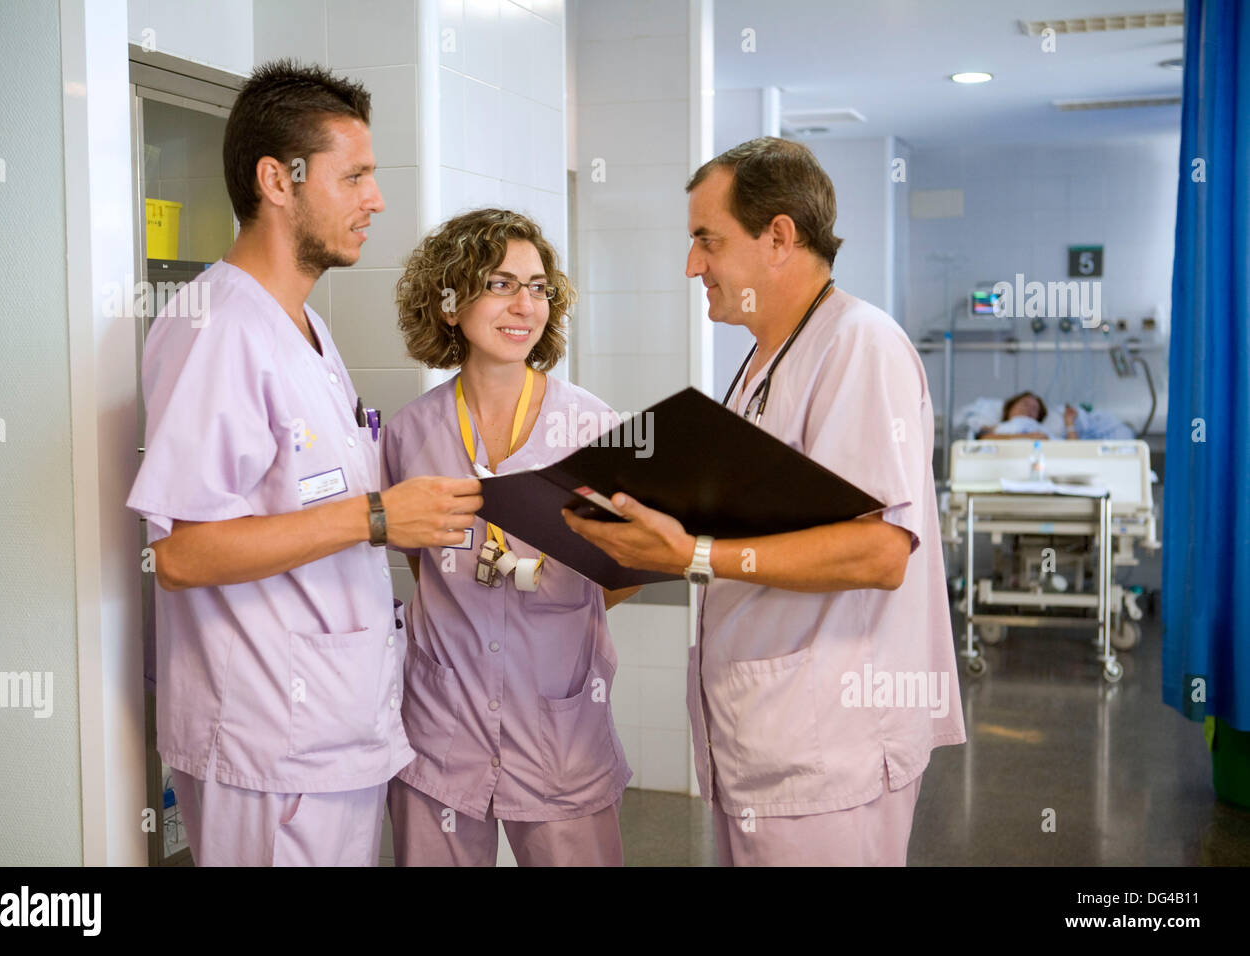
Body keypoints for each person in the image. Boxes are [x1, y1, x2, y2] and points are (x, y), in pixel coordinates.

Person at [563, 137, 966, 866]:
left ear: (778, 236)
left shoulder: (859, 346)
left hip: (829, 747)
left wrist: (693, 553)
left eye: (706, 240)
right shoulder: (760, 363)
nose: (693, 265)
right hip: (766, 741)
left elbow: (879, 552)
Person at [126, 60, 482, 867]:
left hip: (326, 731)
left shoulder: (304, 332)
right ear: (276, 181)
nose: (376, 200)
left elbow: (297, 510)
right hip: (268, 743)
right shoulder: (217, 330)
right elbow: (183, 553)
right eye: (353, 175)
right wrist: (379, 517)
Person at [380, 208, 637, 866]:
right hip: (441, 729)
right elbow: (420, 564)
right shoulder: (410, 434)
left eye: (538, 286)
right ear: (449, 301)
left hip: (558, 733)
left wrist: (558, 591)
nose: (525, 304)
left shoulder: (594, 429)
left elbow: (634, 566)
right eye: (499, 284)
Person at [976, 391, 1078, 439]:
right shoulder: (999, 428)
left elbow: (1073, 450)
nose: (1029, 409)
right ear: (1011, 407)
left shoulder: (1042, 431)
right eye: (1025, 404)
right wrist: (1028, 437)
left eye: (1034, 408)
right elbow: (983, 438)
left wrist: (1069, 423)